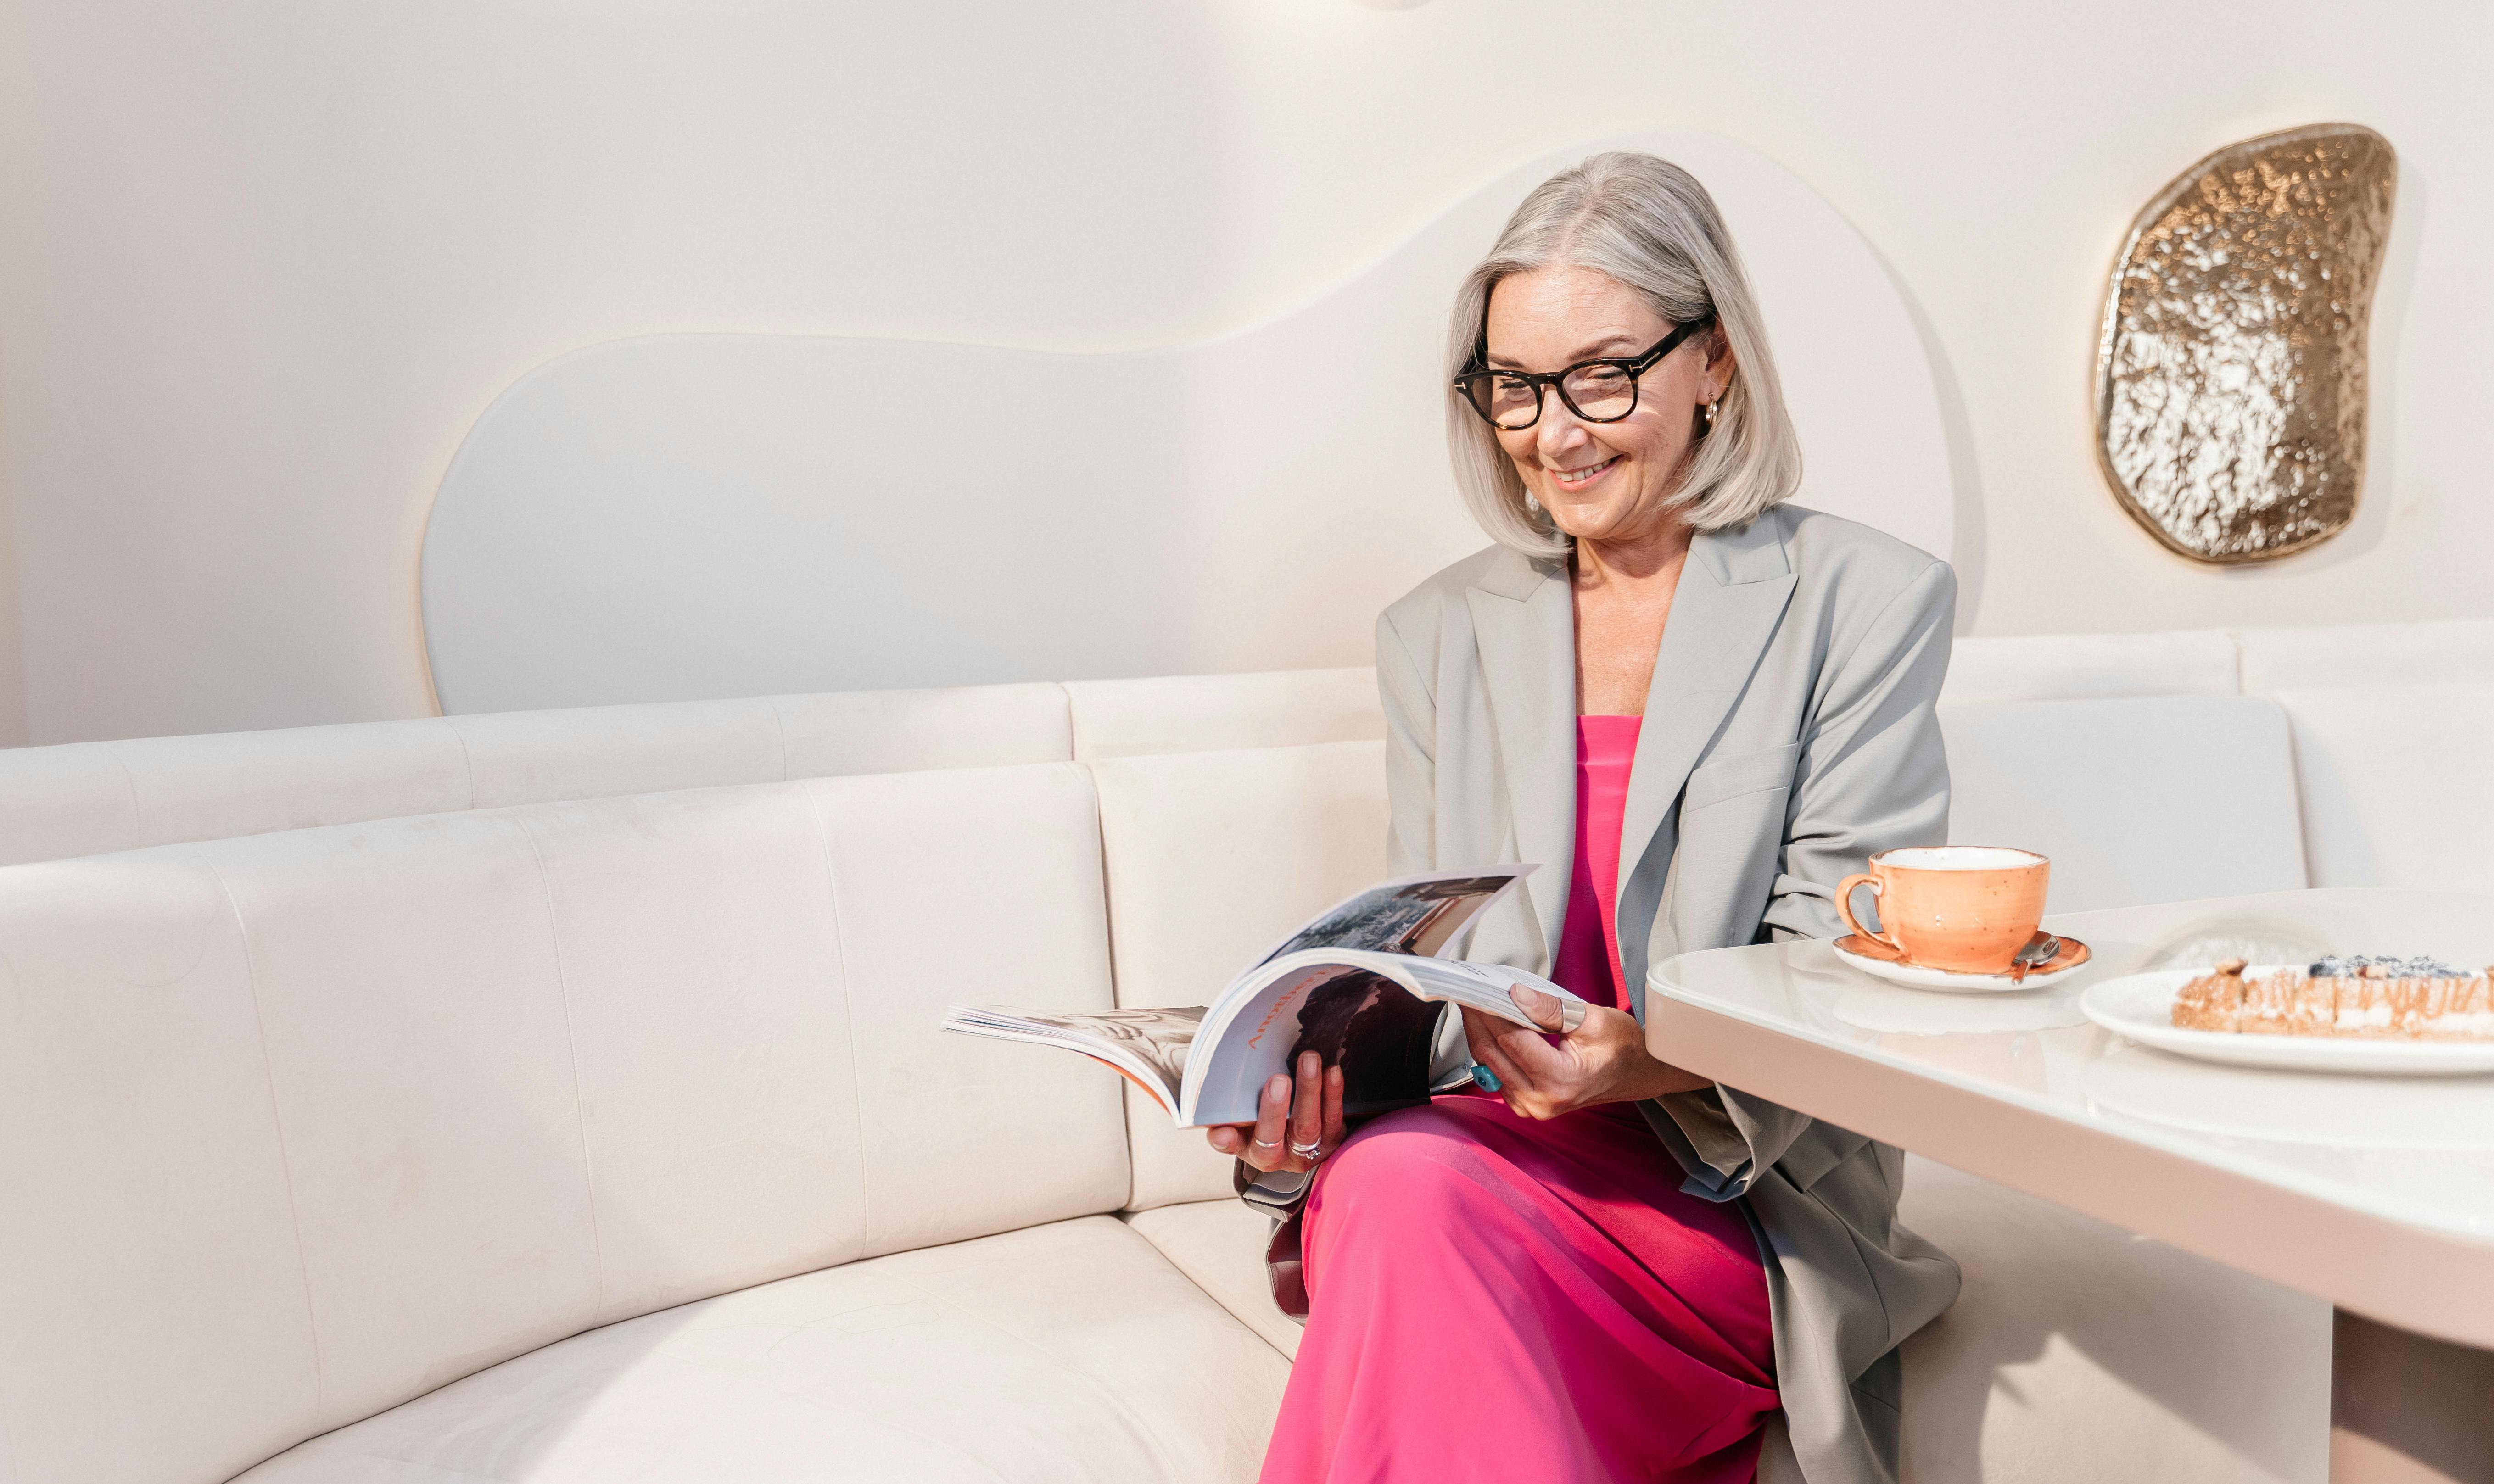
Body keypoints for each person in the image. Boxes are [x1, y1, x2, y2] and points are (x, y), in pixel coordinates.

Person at [1205, 151, 1962, 1484]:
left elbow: (1847, 975)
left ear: (1713, 361)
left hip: (1738, 1197)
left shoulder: (1864, 601)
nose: (1555, 432)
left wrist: (1644, 1058)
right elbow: (1429, 968)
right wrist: (1303, 1109)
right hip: (1482, 1151)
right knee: (1385, 1179)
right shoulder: (1433, 634)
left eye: (1603, 374)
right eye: (1514, 387)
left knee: (1406, 1208)